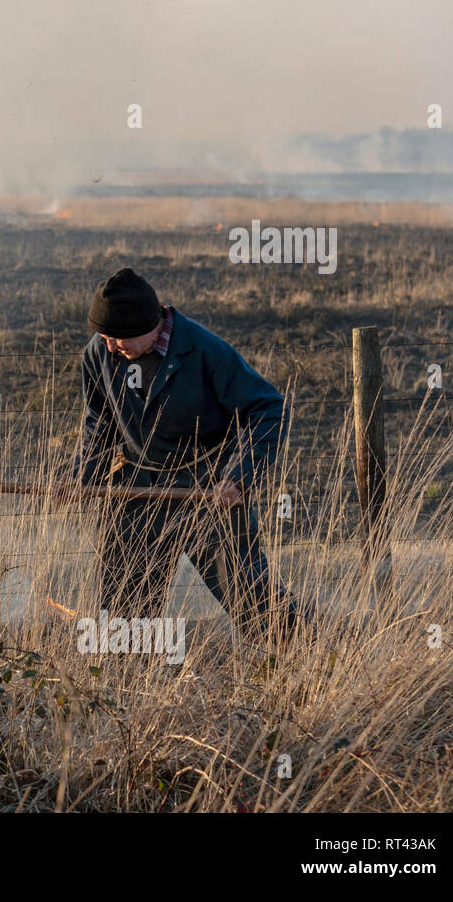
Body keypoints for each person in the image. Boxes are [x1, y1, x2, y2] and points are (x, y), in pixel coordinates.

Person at [71, 267, 306, 643]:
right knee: (124, 612)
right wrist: (82, 479)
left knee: (252, 597)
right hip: (136, 492)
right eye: (105, 336)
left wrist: (239, 477)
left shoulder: (204, 350)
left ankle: (304, 660)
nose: (113, 346)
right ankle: (124, 690)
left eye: (121, 337)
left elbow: (269, 409)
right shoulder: (99, 354)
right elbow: (99, 422)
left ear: (153, 323)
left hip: (207, 491)